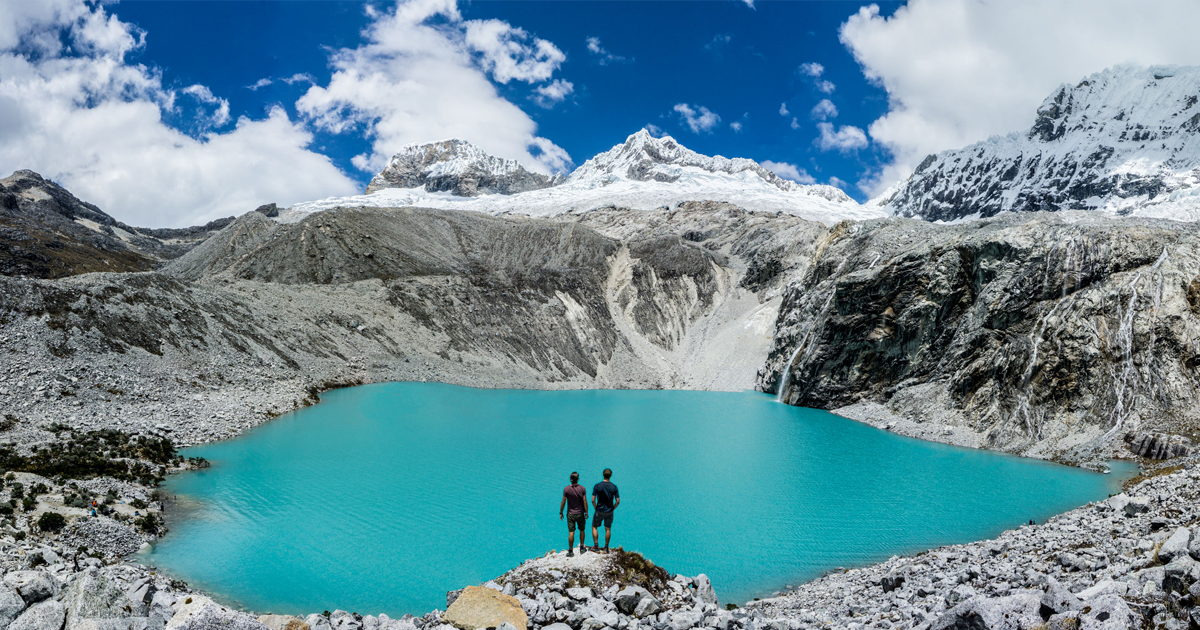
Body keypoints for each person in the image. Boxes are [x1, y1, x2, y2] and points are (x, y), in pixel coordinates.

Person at [559, 471, 588, 557]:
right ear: (577, 479)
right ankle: (582, 548)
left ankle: (571, 551)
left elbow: (563, 502)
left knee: (571, 532)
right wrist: (586, 512)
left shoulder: (566, 489)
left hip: (570, 514)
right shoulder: (582, 488)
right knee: (582, 530)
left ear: (570, 479)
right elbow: (585, 501)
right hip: (580, 513)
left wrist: (561, 512)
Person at [590, 468, 620, 552]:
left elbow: (593, 499)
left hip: (599, 510)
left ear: (603, 474)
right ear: (610, 476)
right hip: (609, 511)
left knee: (594, 527)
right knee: (608, 529)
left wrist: (596, 507)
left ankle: (596, 546)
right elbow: (618, 501)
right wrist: (613, 508)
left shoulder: (597, 486)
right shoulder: (614, 487)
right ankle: (606, 547)